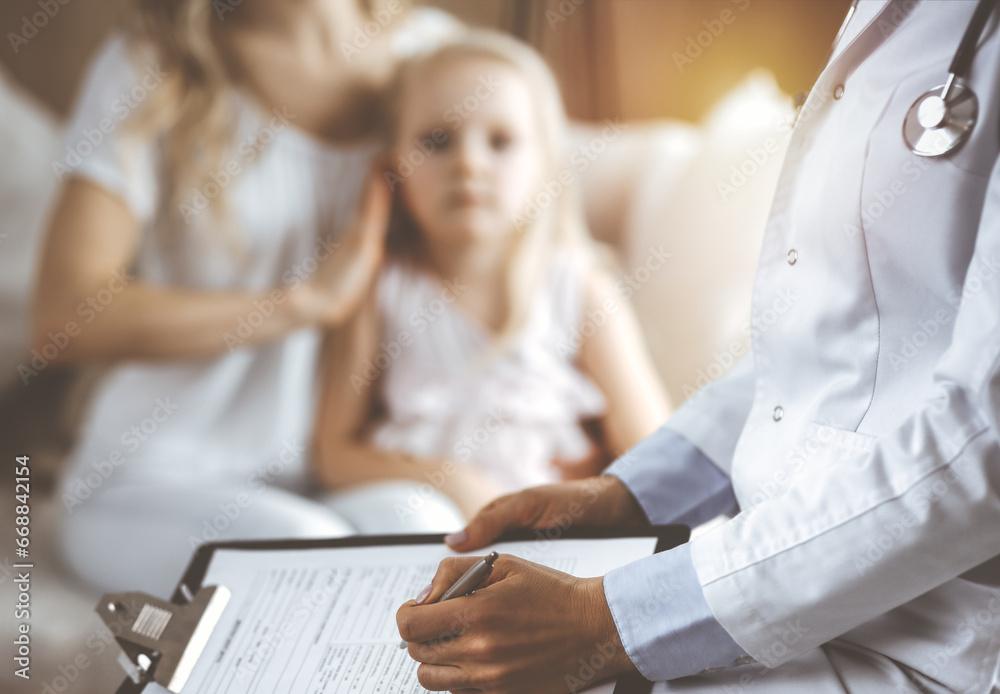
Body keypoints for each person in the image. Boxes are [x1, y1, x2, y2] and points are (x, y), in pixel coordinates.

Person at [396, 2, 1000, 692]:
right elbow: (824, 343)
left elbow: (986, 441)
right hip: (776, 593)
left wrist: (610, 623)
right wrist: (629, 494)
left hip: (937, 644)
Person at [34, 0, 460, 598]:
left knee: (430, 530)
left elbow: (535, 218)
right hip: (152, 479)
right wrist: (302, 303)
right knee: (301, 555)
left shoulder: (435, 55)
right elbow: (62, 315)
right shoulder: (155, 63)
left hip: (336, 477)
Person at [312, 31, 671, 524]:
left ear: (545, 162)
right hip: (425, 521)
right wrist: (452, 482)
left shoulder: (579, 288)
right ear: (391, 163)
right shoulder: (382, 290)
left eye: (500, 141)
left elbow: (655, 450)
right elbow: (334, 455)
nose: (468, 163)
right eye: (436, 141)